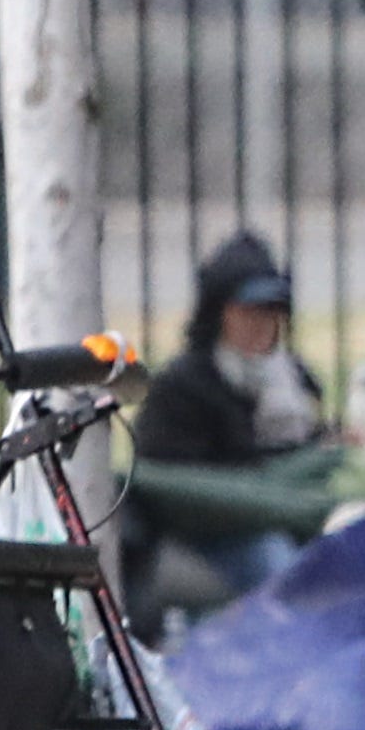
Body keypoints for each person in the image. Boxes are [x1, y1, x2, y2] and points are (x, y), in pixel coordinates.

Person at [131, 231, 329, 599]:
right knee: (275, 559)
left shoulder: (295, 380)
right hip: (215, 534)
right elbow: (169, 484)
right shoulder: (185, 385)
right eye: (248, 312)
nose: (261, 323)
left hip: (289, 519)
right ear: (220, 314)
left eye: (271, 312)